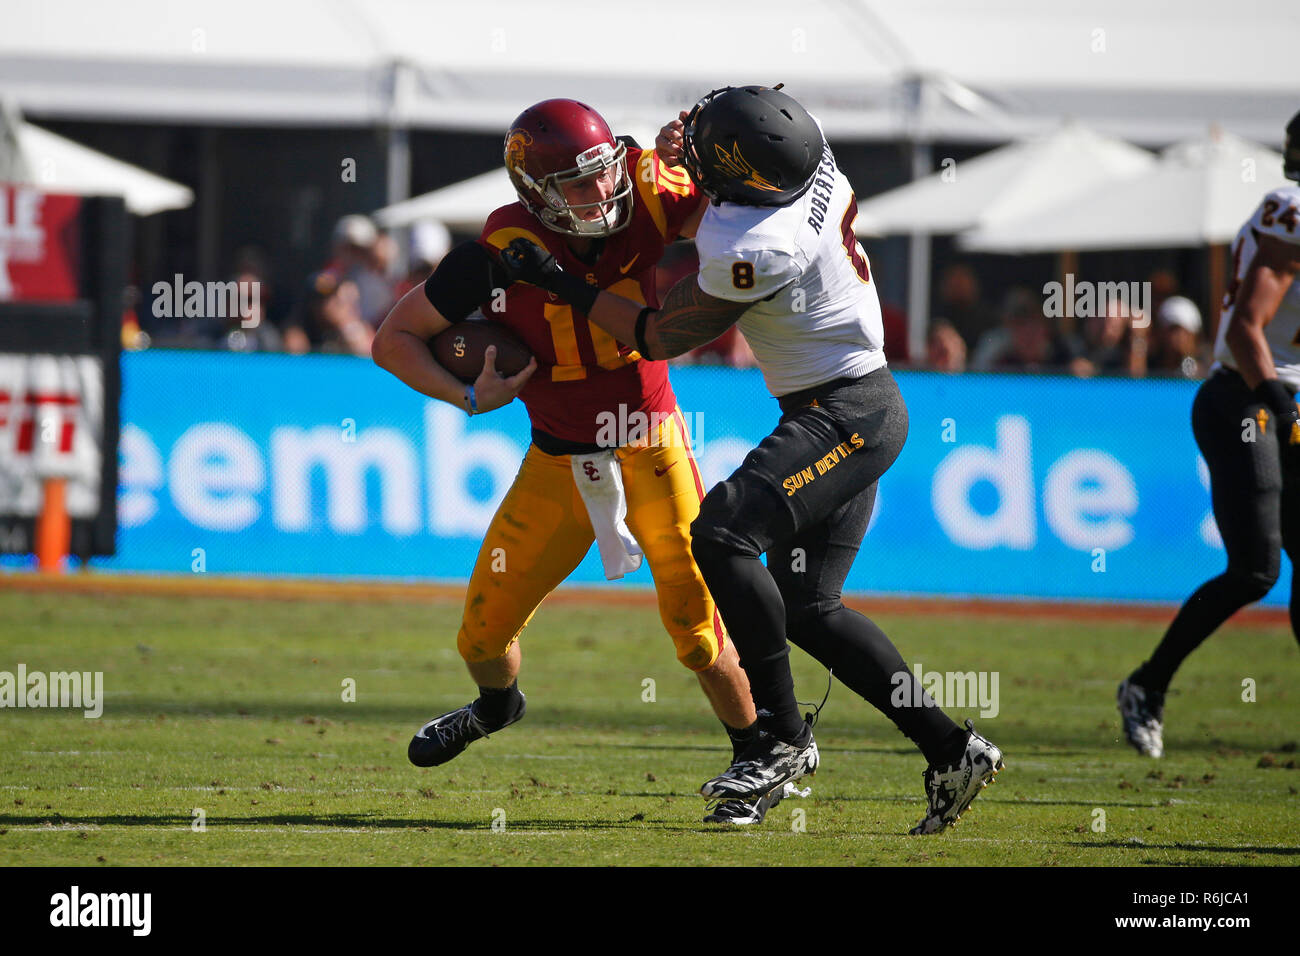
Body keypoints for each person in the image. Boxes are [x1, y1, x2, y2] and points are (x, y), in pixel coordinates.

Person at [498, 85, 1003, 834]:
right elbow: (755, 151)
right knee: (810, 610)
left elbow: (655, 334)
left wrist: (563, 284)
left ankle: (780, 740)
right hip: (859, 400)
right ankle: (951, 749)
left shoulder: (754, 248)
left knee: (722, 533)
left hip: (844, 412)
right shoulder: (809, 153)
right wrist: (694, 153)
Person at [371, 99, 767, 824]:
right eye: (580, 184)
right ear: (538, 193)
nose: (603, 192)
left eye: (605, 173)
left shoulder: (647, 195)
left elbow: (745, 214)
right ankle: (497, 707)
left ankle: (756, 758)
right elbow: (393, 338)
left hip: (651, 443)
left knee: (696, 626)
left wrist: (705, 161)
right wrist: (466, 394)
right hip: (558, 461)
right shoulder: (498, 253)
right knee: (482, 634)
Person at [1118, 110, 1300, 757]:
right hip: (1246, 398)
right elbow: (1249, 327)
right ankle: (1147, 685)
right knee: (1256, 570)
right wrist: (1282, 402)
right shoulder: (1292, 209)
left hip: (1283, 398)